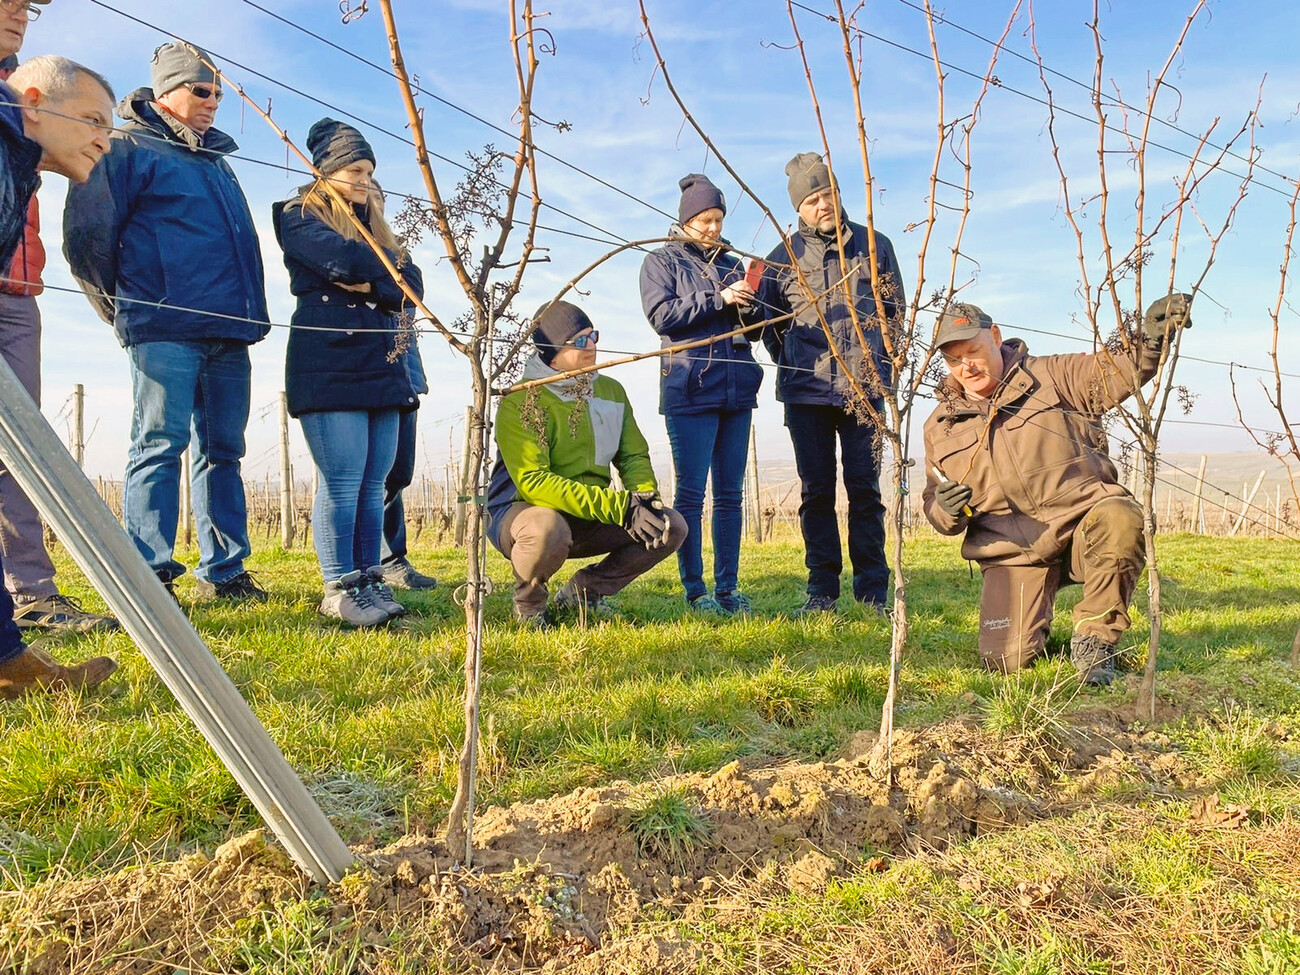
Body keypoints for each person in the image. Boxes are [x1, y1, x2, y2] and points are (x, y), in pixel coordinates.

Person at [64, 41, 270, 602]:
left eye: (219, 94)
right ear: (165, 93)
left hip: (229, 328)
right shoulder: (126, 148)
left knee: (224, 451)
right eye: (202, 91)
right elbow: (87, 239)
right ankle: (149, 573)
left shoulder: (217, 162)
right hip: (163, 327)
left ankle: (225, 571)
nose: (213, 102)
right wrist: (124, 310)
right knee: (158, 443)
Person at [921, 296, 1191, 684]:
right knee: (1006, 661)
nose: (967, 366)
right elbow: (934, 500)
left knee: (1120, 516)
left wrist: (1148, 339)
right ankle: (1034, 614)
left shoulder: (1055, 376)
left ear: (995, 337)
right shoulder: (939, 425)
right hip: (1013, 554)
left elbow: (1114, 370)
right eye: (953, 359)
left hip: (1084, 528)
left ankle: (1095, 642)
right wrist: (945, 510)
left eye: (974, 351)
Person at [272, 118, 422, 627]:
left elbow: (412, 288)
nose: (363, 180)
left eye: (369, 171)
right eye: (353, 170)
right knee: (341, 480)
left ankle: (371, 579)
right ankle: (340, 586)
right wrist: (380, 276)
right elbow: (341, 261)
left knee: (372, 482)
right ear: (325, 171)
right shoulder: (295, 214)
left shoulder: (379, 228)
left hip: (382, 363)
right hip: (329, 359)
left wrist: (376, 283)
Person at [0, 51, 118, 697]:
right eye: (94, 119)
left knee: (11, 463)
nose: (104, 136)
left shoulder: (21, 168)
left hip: (19, 291)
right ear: (37, 100)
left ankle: (8, 652)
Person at [758, 152, 904, 615]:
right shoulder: (781, 259)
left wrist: (883, 368)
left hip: (864, 391)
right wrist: (795, 362)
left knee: (865, 490)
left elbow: (894, 312)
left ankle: (872, 592)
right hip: (806, 395)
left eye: (828, 194)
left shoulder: (875, 245)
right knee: (815, 492)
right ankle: (821, 591)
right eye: (812, 198)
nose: (822, 204)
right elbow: (768, 326)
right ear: (798, 208)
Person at [486, 300, 687, 629]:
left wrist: (644, 499)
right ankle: (530, 606)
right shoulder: (522, 400)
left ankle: (584, 593)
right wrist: (620, 508)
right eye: (579, 341)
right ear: (552, 352)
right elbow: (535, 483)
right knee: (546, 528)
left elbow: (632, 455)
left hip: (588, 512)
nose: (591, 345)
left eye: (592, 335)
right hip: (523, 513)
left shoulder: (610, 391)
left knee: (670, 526)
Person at [639, 173, 763, 616]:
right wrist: (719, 298)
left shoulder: (732, 263)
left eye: (718, 219)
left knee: (731, 495)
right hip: (690, 389)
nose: (713, 227)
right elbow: (662, 316)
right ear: (686, 219)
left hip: (736, 390)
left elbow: (751, 324)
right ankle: (695, 591)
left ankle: (729, 589)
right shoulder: (661, 262)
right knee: (691, 494)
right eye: (705, 219)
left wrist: (751, 306)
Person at [377, 332, 438, 592]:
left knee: (397, 474)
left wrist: (413, 377)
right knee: (372, 477)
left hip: (405, 376)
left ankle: (390, 559)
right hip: (366, 372)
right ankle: (379, 561)